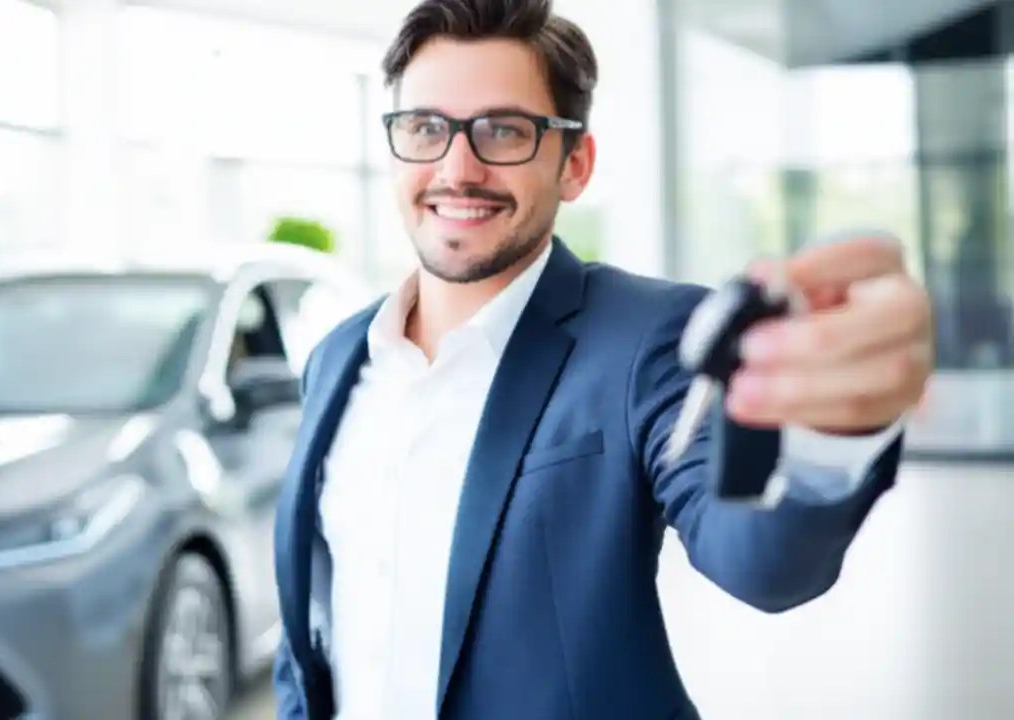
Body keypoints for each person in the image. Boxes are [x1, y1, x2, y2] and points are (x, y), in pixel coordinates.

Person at [272, 0, 934, 717]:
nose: (457, 168)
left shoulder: (649, 337)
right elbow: (317, 626)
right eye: (426, 128)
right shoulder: (337, 357)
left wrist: (832, 438)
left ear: (575, 164)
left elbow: (763, 562)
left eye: (503, 131)